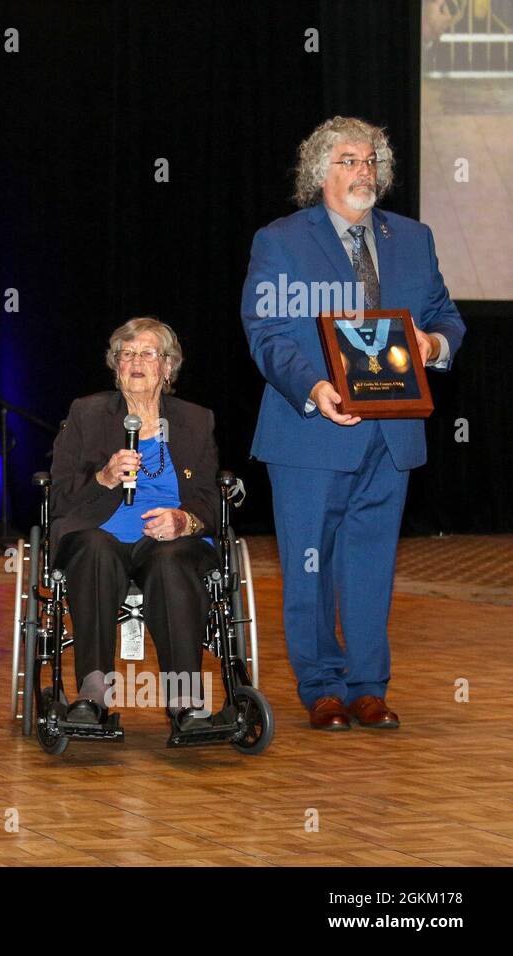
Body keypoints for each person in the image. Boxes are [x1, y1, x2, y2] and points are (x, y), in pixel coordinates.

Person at [241, 116, 465, 731]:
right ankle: (321, 689)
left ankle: (368, 686)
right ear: (320, 172)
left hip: (391, 435)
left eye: (370, 161)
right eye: (348, 160)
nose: (363, 171)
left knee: (368, 565)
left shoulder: (413, 238)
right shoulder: (281, 240)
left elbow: (446, 315)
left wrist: (435, 345)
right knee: (310, 564)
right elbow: (266, 334)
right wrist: (313, 388)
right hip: (311, 430)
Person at [49, 318, 221, 733]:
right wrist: (103, 479)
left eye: (148, 354)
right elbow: (58, 495)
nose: (137, 362)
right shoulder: (87, 413)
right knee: (93, 547)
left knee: (172, 557)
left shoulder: (196, 421)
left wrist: (185, 519)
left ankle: (184, 701)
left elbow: (211, 498)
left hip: (168, 540)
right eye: (127, 354)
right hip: (100, 533)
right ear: (116, 366)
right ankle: (92, 693)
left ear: (168, 367)